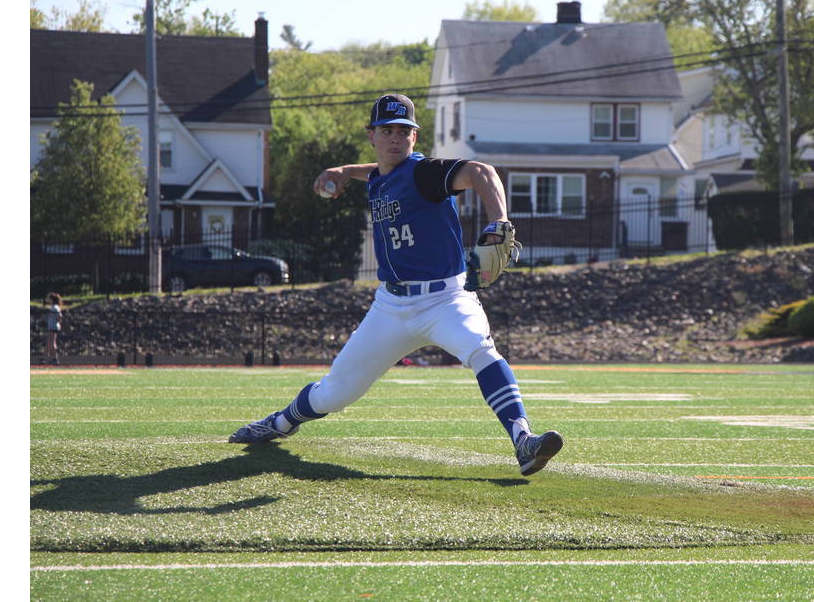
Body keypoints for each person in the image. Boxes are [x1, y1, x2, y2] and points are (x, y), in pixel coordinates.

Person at [229, 94, 563, 476]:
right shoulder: (378, 177)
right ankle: (281, 422)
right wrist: (342, 170)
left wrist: (498, 222)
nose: (395, 138)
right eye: (386, 130)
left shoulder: (424, 173)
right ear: (371, 135)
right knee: (335, 393)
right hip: (391, 306)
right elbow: (376, 171)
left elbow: (482, 172)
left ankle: (524, 441)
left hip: (447, 299)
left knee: (481, 351)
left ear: (414, 139)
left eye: (404, 131)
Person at [45, 292, 63, 365]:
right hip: (52, 326)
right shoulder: (54, 307)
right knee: (51, 342)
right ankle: (52, 358)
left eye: (49, 299)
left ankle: (52, 358)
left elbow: (60, 316)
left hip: (53, 326)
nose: (48, 300)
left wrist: (58, 322)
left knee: (52, 343)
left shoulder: (55, 307)